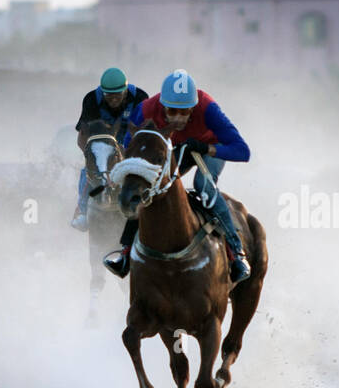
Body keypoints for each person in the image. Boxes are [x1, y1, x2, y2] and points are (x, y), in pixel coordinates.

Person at [107, 69, 253, 283]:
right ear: (162, 105)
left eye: (185, 112)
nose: (179, 118)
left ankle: (236, 253)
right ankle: (125, 253)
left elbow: (243, 151)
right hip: (171, 149)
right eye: (172, 111)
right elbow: (130, 145)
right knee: (148, 187)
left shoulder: (208, 108)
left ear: (194, 107)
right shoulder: (146, 109)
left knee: (203, 185)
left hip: (210, 147)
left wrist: (206, 148)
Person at [71, 67, 148, 230]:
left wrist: (129, 156)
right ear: (102, 92)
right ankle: (83, 212)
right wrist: (91, 157)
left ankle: (150, 211)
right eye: (109, 96)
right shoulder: (92, 100)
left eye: (118, 95)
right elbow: (83, 136)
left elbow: (146, 133)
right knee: (88, 172)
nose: (113, 100)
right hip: (103, 146)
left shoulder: (140, 98)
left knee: (145, 172)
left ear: (125, 91)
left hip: (131, 143)